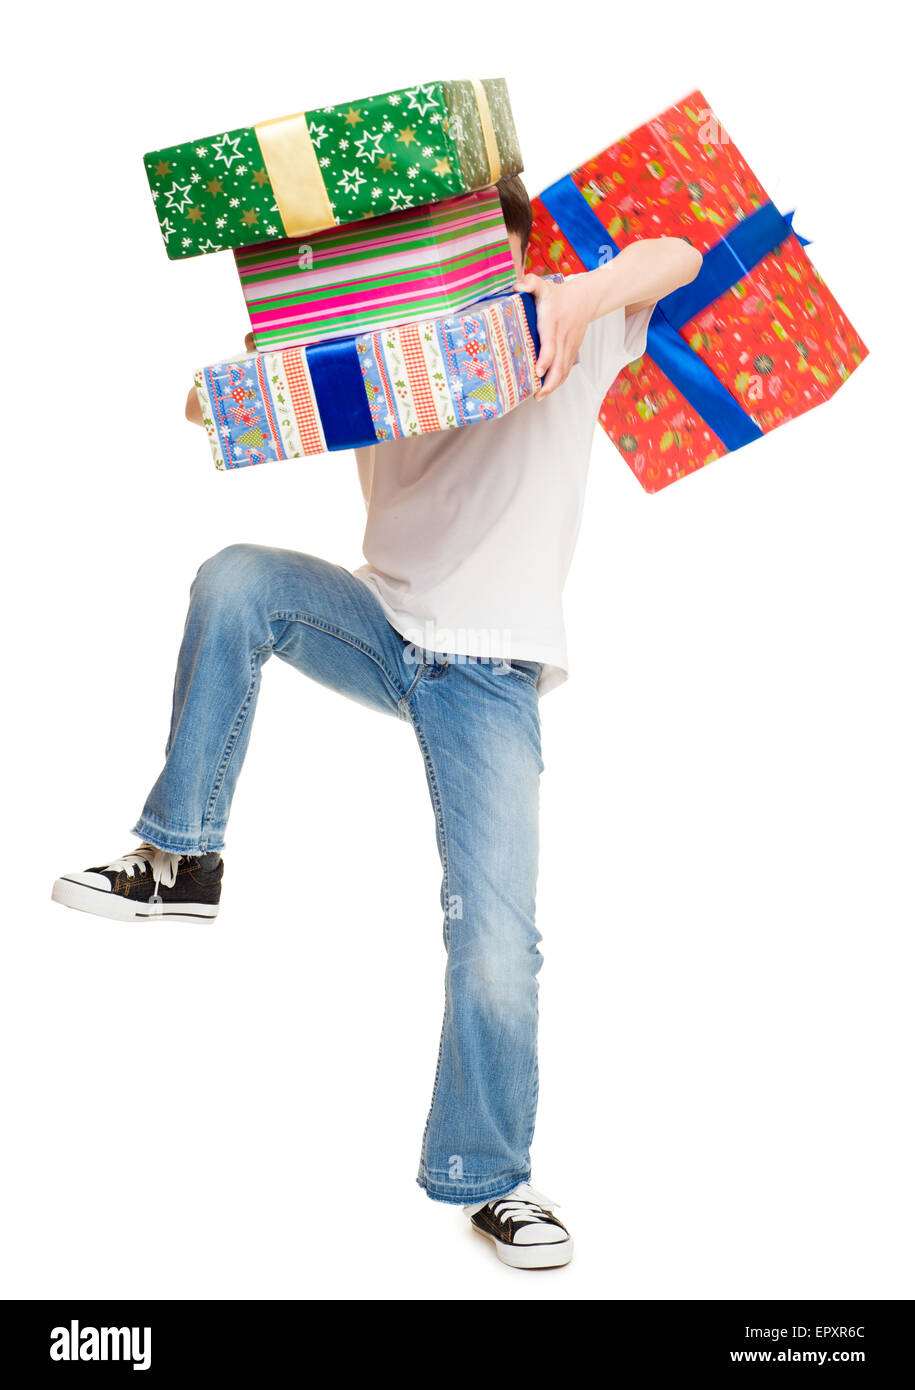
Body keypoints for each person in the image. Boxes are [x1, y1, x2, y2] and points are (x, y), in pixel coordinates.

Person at [51, 175, 701, 1269]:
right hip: (380, 622)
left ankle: (492, 1178)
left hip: (490, 670)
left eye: (462, 237)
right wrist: (252, 386)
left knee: (497, 939)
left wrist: (583, 297)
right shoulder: (373, 349)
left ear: (502, 240)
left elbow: (679, 251)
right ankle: (181, 855)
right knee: (235, 578)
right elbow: (211, 406)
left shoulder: (564, 318)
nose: (435, 257)